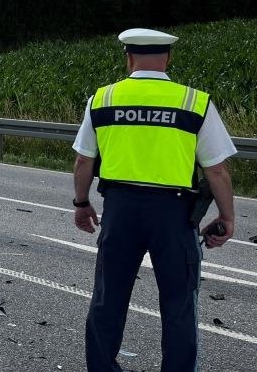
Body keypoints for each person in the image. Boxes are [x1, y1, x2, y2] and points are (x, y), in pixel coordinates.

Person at [71, 28, 236, 372]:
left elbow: (84, 160)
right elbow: (217, 169)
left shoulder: (103, 98)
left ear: (128, 58)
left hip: (119, 211)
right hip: (173, 215)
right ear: (168, 59)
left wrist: (82, 203)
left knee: (108, 300)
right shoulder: (193, 101)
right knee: (178, 305)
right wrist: (227, 216)